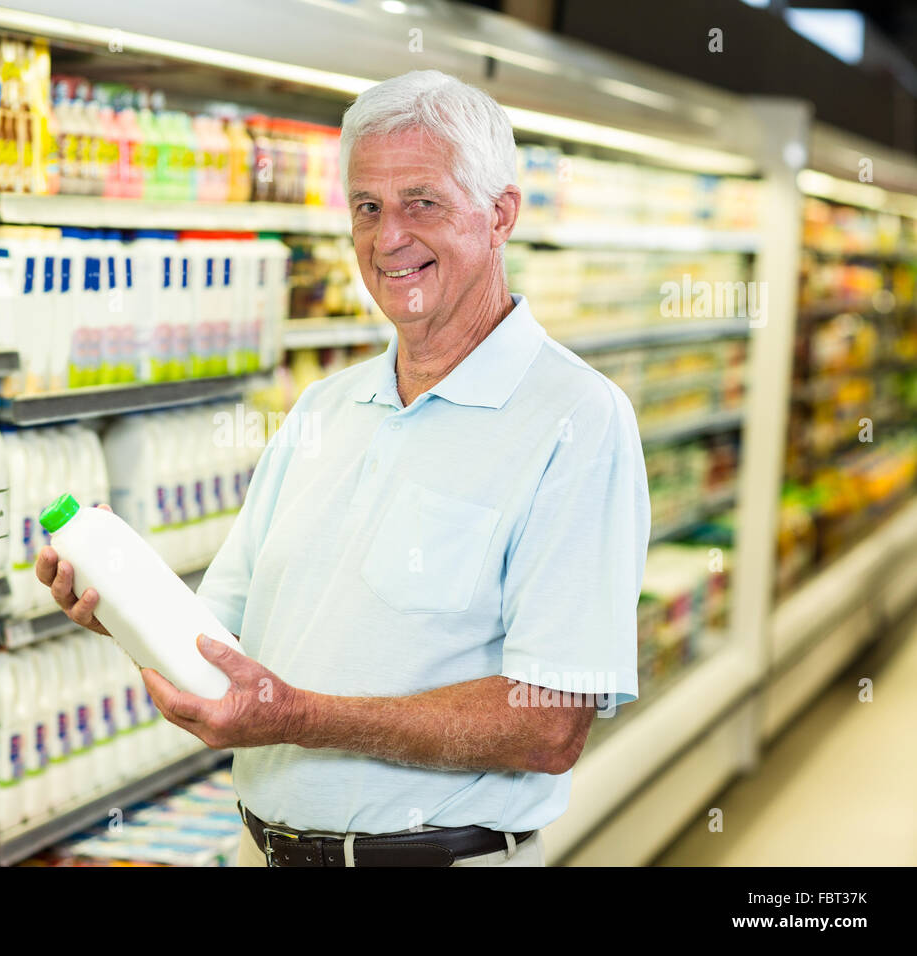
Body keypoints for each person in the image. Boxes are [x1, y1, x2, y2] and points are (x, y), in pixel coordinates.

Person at [36, 69, 650, 867]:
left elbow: (549, 723)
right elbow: (221, 644)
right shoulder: (325, 409)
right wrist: (121, 599)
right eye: (367, 207)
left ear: (500, 214)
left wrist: (300, 716)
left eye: (421, 202)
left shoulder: (577, 419)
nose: (387, 237)